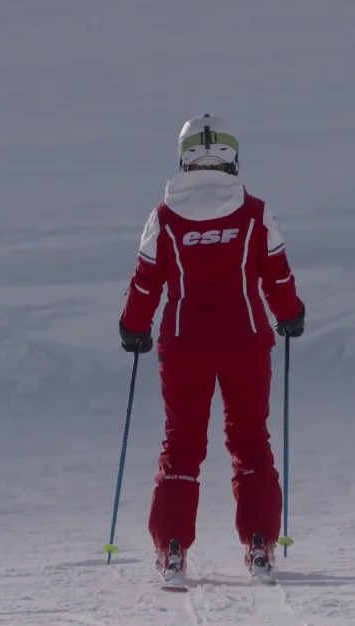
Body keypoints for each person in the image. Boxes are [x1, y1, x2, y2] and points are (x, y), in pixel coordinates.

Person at [117, 113, 306, 584]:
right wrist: (290, 313)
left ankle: (173, 549)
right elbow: (277, 274)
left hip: (184, 346)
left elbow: (146, 282)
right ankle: (260, 545)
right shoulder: (255, 213)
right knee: (250, 442)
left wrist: (132, 326)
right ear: (231, 158)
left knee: (181, 445)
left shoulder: (163, 218)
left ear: (183, 161)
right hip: (245, 341)